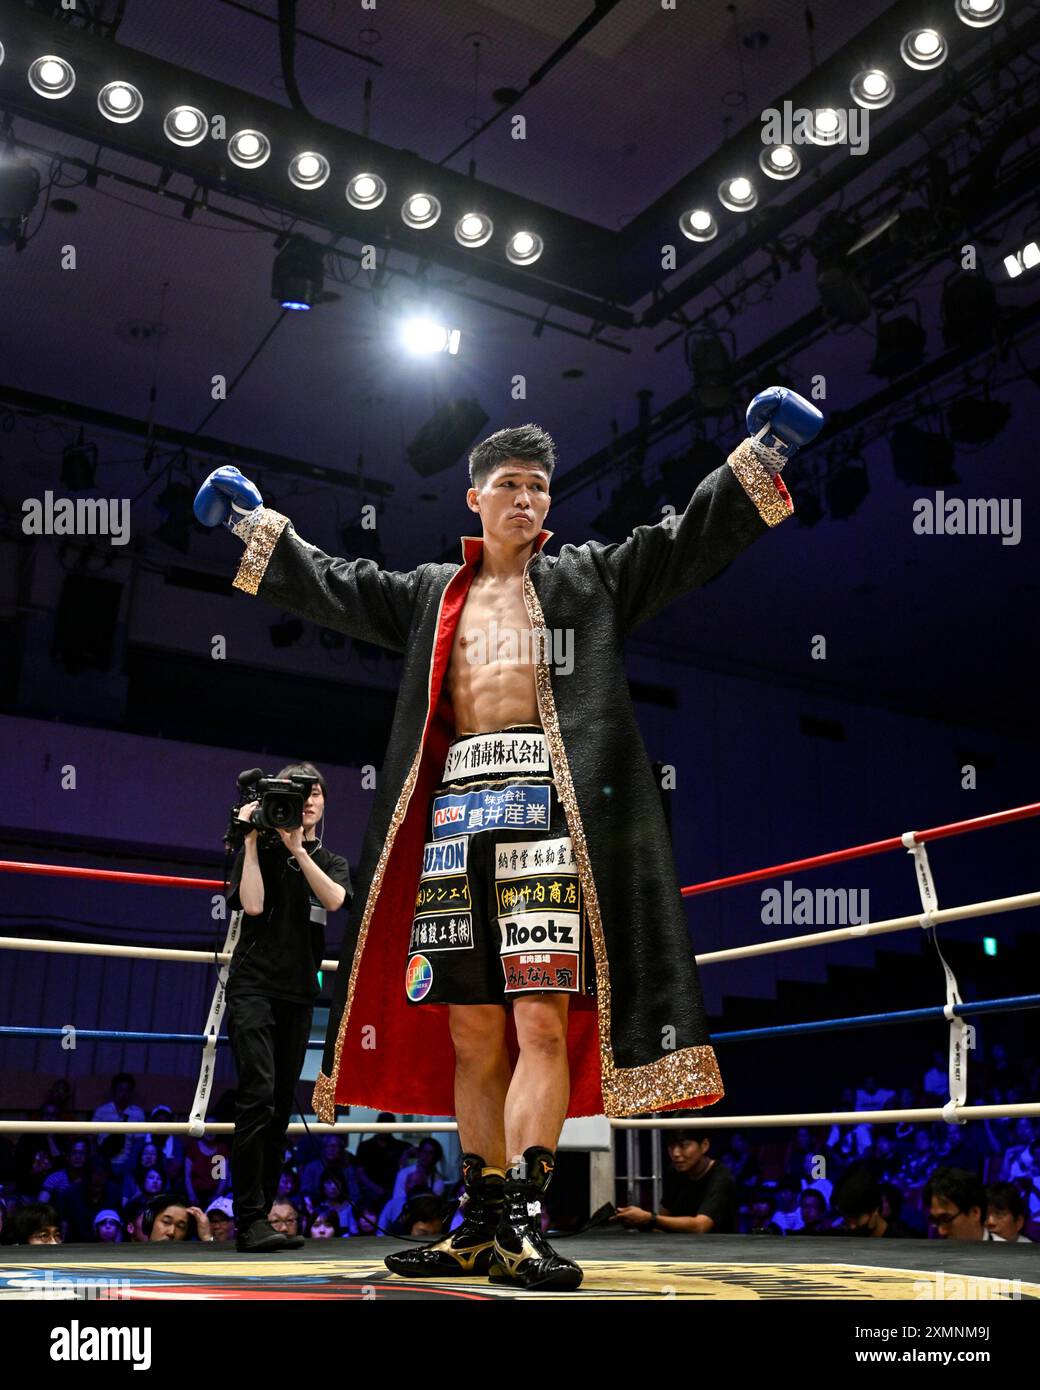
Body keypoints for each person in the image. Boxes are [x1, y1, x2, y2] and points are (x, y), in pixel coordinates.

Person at [196, 387, 818, 1289]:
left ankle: (526, 1219)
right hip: (455, 822)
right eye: (512, 486)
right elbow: (332, 580)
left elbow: (683, 541)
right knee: (473, 1036)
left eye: (540, 489)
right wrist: (252, 526)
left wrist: (763, 452)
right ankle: (479, 1224)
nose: (528, 501)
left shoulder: (589, 578)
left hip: (547, 820)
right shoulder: (429, 598)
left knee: (541, 1022)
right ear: (476, 498)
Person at [223, 762, 353, 1253]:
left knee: (278, 1104)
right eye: (298, 794)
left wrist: (298, 846)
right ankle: (249, 1218)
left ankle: (260, 1217)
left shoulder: (329, 858)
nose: (308, 800)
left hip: (299, 991)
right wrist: (254, 838)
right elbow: (252, 906)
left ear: (322, 802)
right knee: (256, 1095)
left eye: (315, 792)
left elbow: (336, 900)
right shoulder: (257, 848)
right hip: (253, 985)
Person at [614, 1126, 737, 1234]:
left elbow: (700, 1226)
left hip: (716, 1253)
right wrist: (633, 1220)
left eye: (684, 1145)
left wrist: (649, 1219)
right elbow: (663, 1218)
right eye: (671, 1145)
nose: (675, 1153)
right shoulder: (675, 1171)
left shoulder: (721, 1177)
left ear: (704, 1145)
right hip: (679, 1249)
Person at [833, 1166, 917, 1237]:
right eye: (847, 1220)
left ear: (875, 1210)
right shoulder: (845, 1238)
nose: (852, 1226)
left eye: (857, 1218)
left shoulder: (901, 1243)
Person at [924, 1167, 994, 1241]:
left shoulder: (1004, 1250)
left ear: (975, 1213)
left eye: (946, 1219)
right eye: (935, 1221)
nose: (941, 1232)